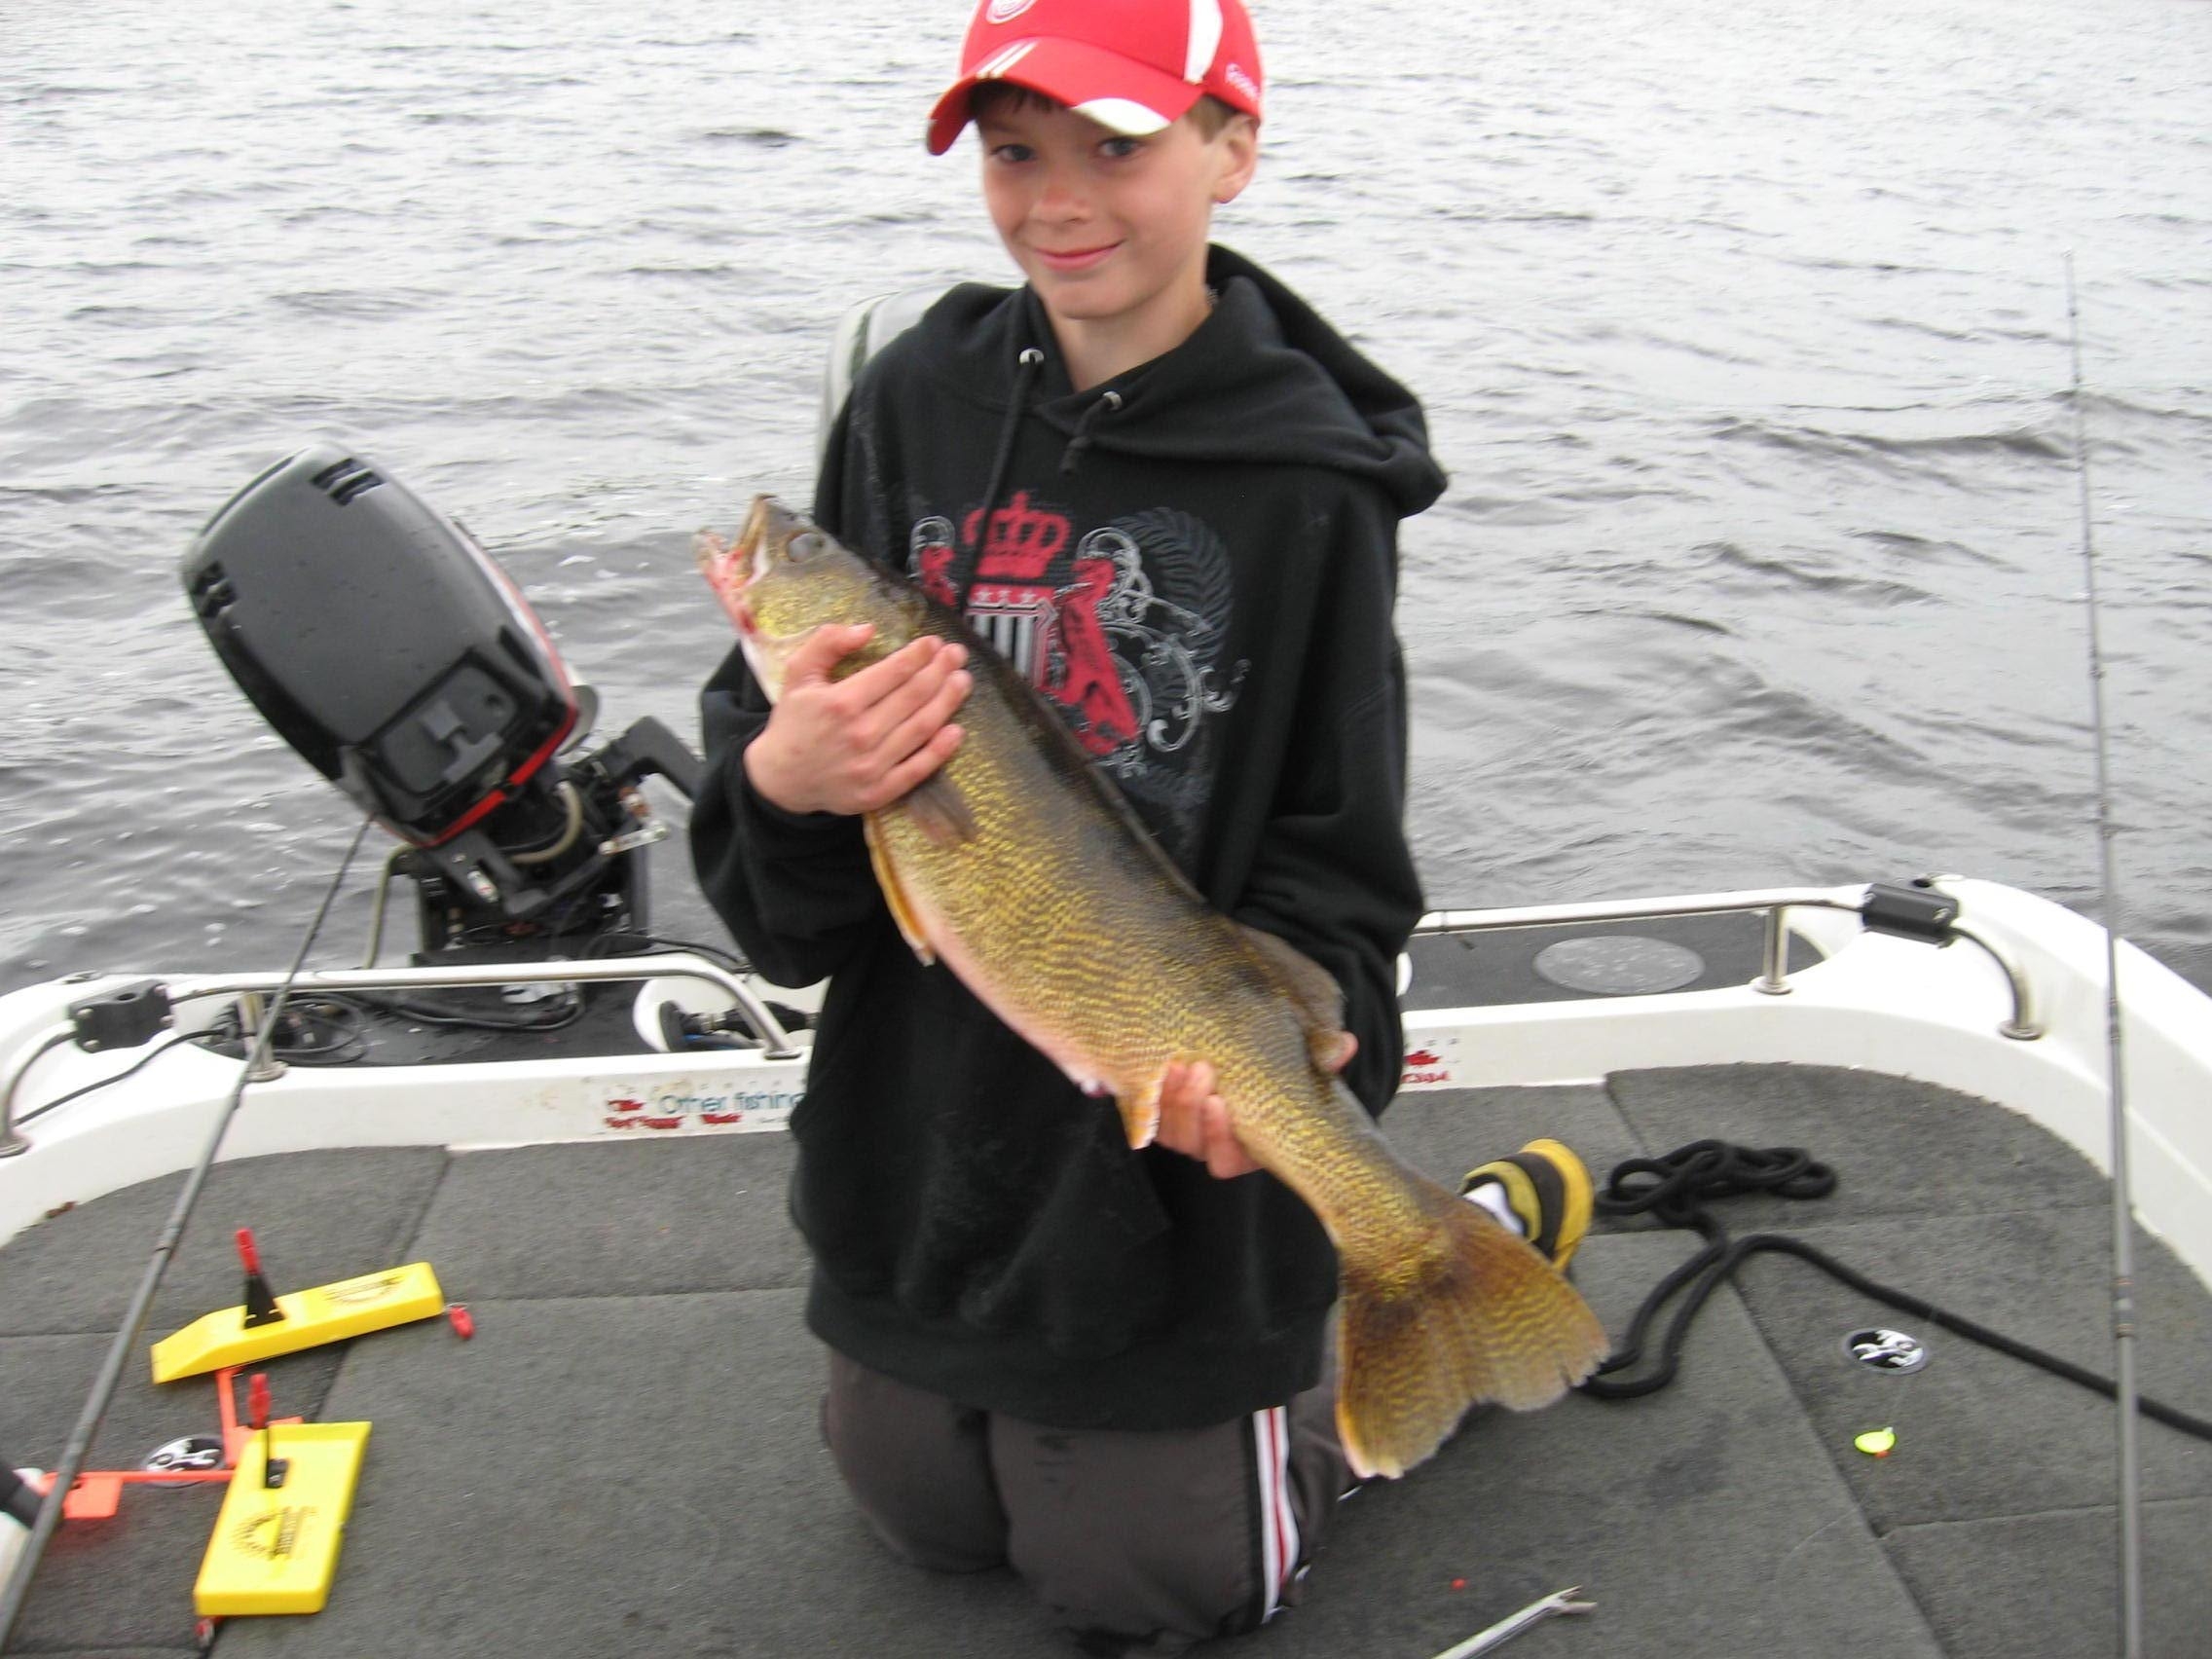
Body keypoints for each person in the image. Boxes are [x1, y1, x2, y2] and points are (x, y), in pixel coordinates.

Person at [690, 0, 1588, 1649]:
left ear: (1231, 148)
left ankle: (1430, 1254)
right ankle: (1370, 1272)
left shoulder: (1311, 489)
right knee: (927, 1524)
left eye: (1120, 146)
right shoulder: (912, 396)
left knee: (1154, 1589)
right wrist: (781, 781)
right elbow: (790, 870)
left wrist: (1301, 1074)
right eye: (1015, 153)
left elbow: (1337, 859)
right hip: (926, 1150)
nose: (1058, 200)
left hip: (1171, 1196)